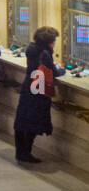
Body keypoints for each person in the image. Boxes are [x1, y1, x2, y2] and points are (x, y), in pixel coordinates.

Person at [15, 26, 62, 164]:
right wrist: (62, 70)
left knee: (22, 121)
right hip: (38, 91)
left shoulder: (31, 48)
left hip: (28, 87)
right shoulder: (45, 53)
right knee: (33, 122)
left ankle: (20, 152)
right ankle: (26, 153)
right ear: (49, 41)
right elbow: (53, 72)